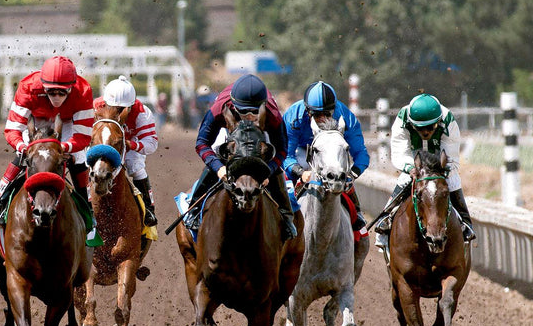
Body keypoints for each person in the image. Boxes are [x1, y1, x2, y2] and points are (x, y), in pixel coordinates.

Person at [183, 74, 297, 241]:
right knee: (216, 159)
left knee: (275, 170)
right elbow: (202, 143)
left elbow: (282, 149)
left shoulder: (272, 114)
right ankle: (194, 210)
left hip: (259, 136)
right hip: (230, 133)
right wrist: (218, 167)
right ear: (234, 106)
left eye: (254, 112)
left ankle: (286, 216)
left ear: (262, 107)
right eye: (243, 111)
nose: (249, 116)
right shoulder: (219, 109)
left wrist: (269, 171)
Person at [0, 55, 94, 224]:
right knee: (25, 155)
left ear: (71, 88)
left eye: (62, 92)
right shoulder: (28, 87)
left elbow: (82, 137)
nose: (56, 97)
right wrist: (22, 146)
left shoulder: (83, 91)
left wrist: (64, 147)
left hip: (66, 122)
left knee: (78, 157)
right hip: (37, 120)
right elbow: (13, 129)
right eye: (51, 92)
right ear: (43, 86)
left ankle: (86, 207)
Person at [374, 93, 476, 247]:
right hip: (414, 159)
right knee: (404, 179)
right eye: (420, 128)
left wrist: (441, 171)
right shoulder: (402, 119)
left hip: (439, 161)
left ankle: (466, 224)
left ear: (438, 121)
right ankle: (386, 218)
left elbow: (452, 158)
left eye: (431, 127)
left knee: (453, 180)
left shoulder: (448, 120)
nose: (426, 133)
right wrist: (410, 168)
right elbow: (399, 152)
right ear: (412, 123)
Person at [283, 80, 369, 226]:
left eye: (327, 114)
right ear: (308, 110)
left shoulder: (345, 117)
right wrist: (300, 172)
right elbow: (286, 154)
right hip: (301, 151)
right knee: (285, 180)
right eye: (317, 115)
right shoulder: (293, 116)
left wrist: (352, 174)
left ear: (333, 109)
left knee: (341, 172)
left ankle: (358, 217)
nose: (322, 119)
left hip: (331, 150)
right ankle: (284, 216)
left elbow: (361, 154)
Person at [93, 75, 159, 226]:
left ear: (130, 106)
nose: (116, 112)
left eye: (121, 109)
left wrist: (130, 145)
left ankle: (149, 208)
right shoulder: (96, 107)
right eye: (111, 107)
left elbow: (151, 144)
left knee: (135, 166)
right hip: (104, 144)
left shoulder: (142, 113)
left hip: (129, 145)